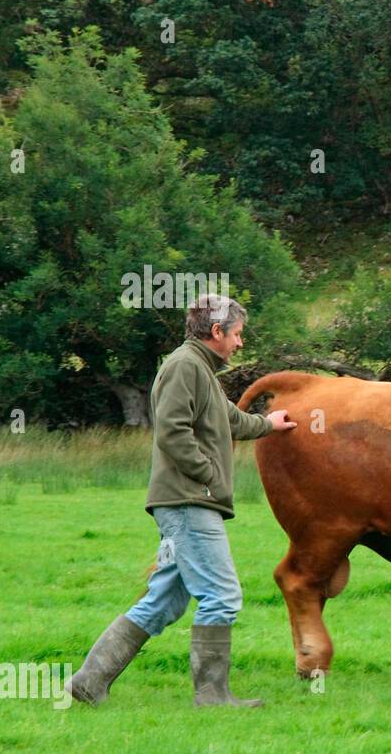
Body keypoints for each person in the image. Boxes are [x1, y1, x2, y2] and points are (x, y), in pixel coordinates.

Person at [67, 294, 296, 707]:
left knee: (165, 601)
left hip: (187, 502)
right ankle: (212, 696)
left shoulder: (201, 371)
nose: (240, 343)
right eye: (238, 334)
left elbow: (230, 421)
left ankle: (88, 682)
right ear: (216, 332)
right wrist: (208, 476)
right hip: (189, 503)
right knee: (222, 596)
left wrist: (269, 424)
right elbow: (172, 432)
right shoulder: (184, 367)